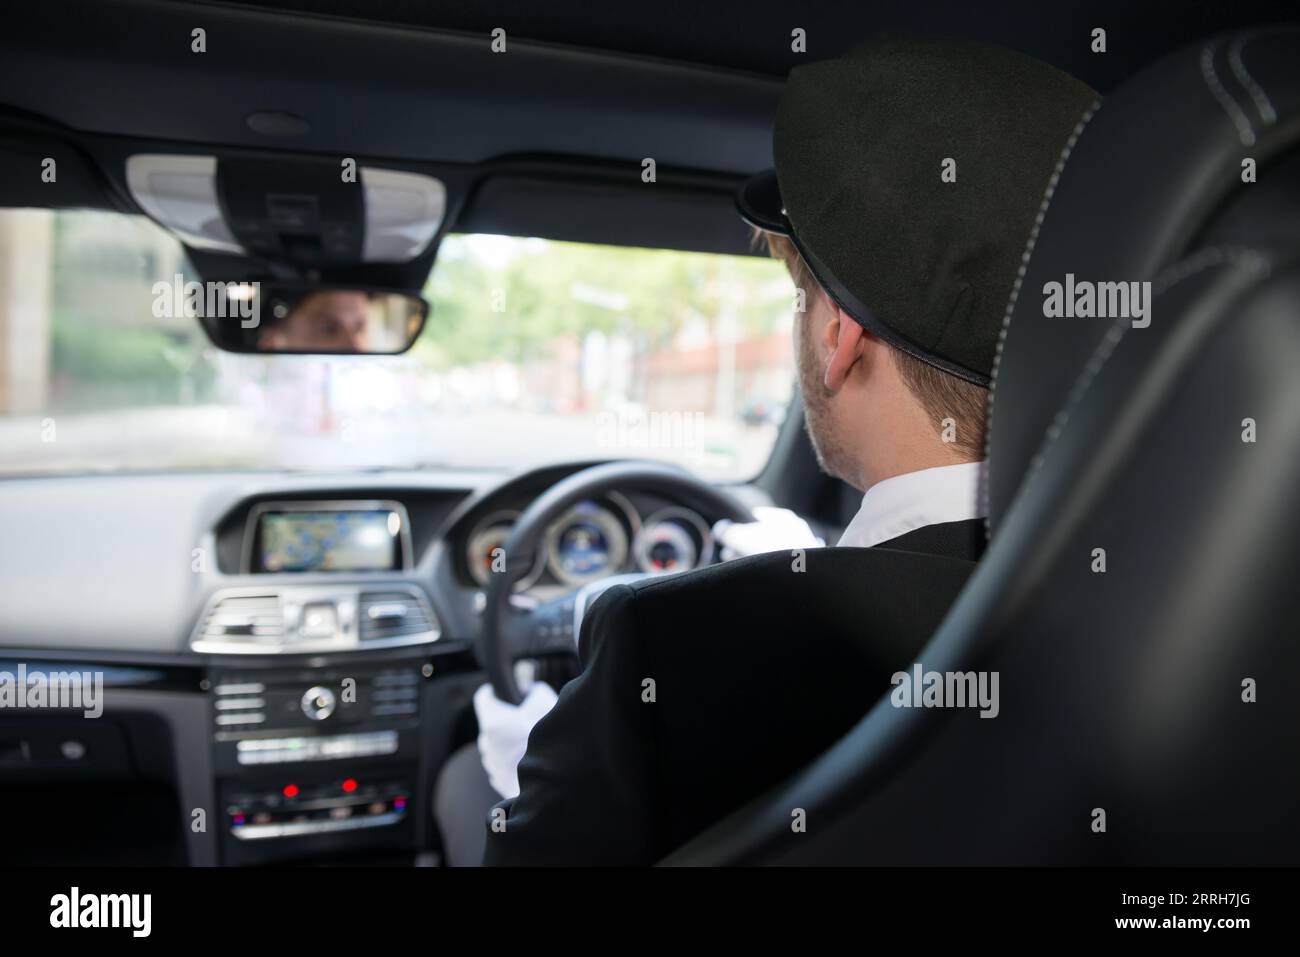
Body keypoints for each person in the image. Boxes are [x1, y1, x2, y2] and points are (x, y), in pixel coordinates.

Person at [446, 35, 1098, 865]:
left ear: (838, 335)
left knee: (466, 781)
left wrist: (531, 771)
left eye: (801, 297)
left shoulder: (667, 645)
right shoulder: (1182, 587)